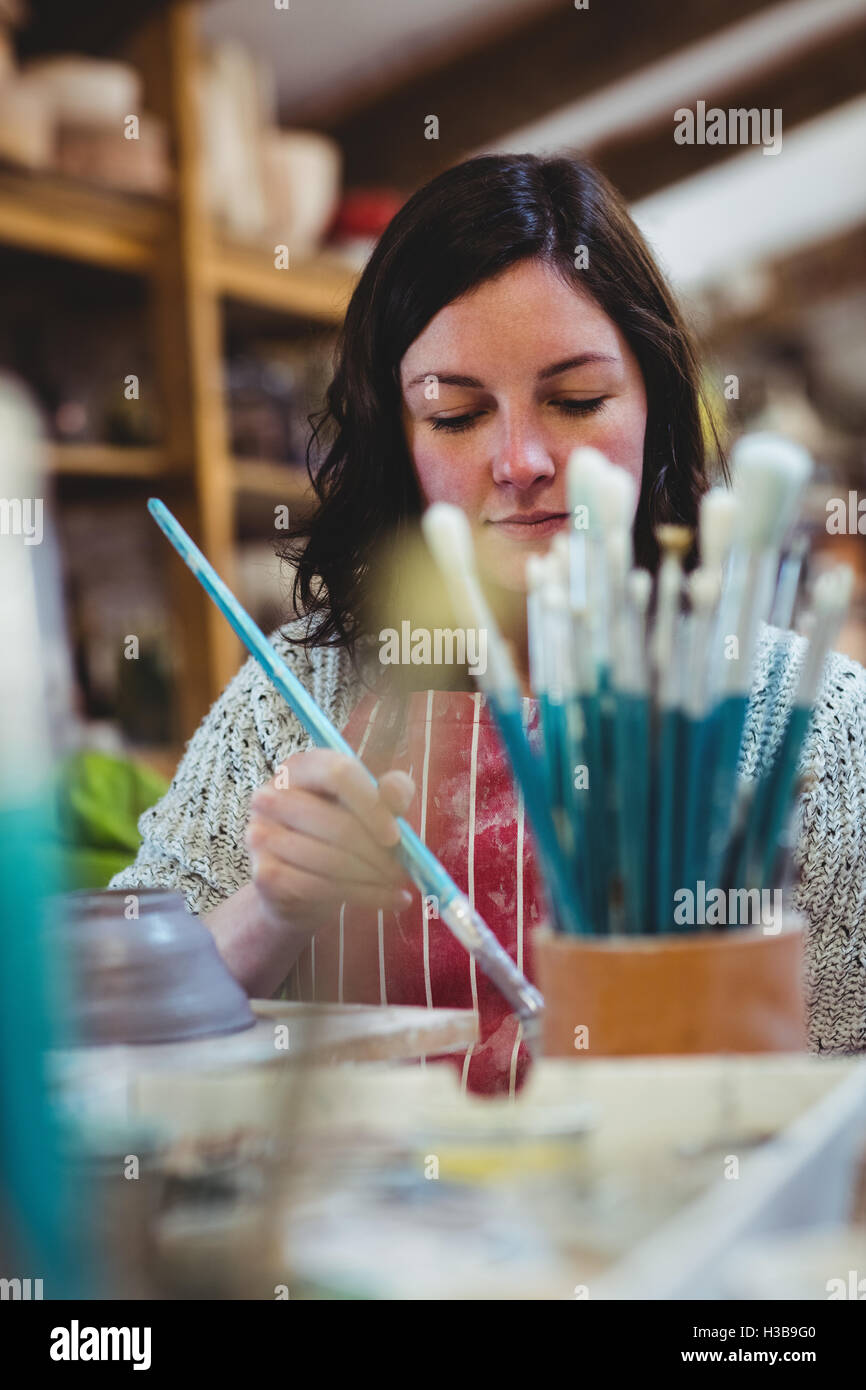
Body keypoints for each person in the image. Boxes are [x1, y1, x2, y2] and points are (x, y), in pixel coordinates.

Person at [110, 153, 866, 1094]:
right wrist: (273, 909)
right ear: (397, 436)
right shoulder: (295, 694)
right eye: (458, 413)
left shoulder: (815, 722)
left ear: (657, 404)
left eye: (577, 401)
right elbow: (115, 1026)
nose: (519, 459)